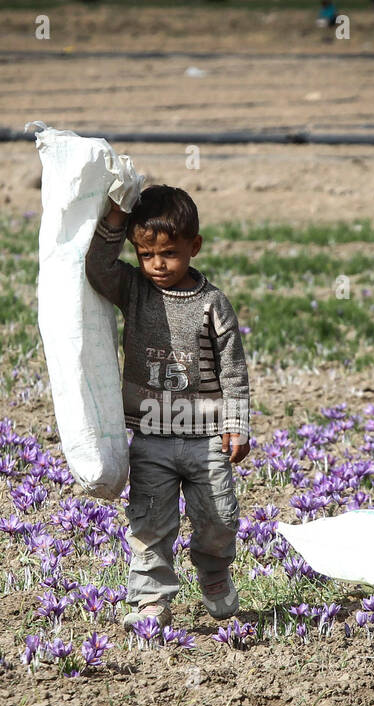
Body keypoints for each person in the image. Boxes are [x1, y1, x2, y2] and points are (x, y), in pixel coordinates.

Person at [84, 184, 250, 630]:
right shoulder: (135, 289)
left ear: (194, 247)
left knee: (218, 516)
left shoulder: (212, 305)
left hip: (206, 437)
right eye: (145, 254)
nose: (157, 265)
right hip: (151, 435)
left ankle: (214, 574)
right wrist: (116, 221)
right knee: (150, 521)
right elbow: (97, 267)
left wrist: (237, 425)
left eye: (170, 254)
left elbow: (233, 371)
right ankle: (150, 600)